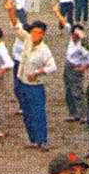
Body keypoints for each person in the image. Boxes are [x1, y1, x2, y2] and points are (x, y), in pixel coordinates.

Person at [10, 14, 58, 149]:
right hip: (22, 83)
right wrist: (10, 11)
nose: (35, 35)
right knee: (27, 113)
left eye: (39, 33)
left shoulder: (44, 50)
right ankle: (33, 140)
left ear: (43, 35)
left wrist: (38, 72)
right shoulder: (27, 41)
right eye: (34, 32)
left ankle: (42, 141)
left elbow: (52, 66)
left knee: (38, 113)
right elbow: (16, 27)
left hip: (35, 86)